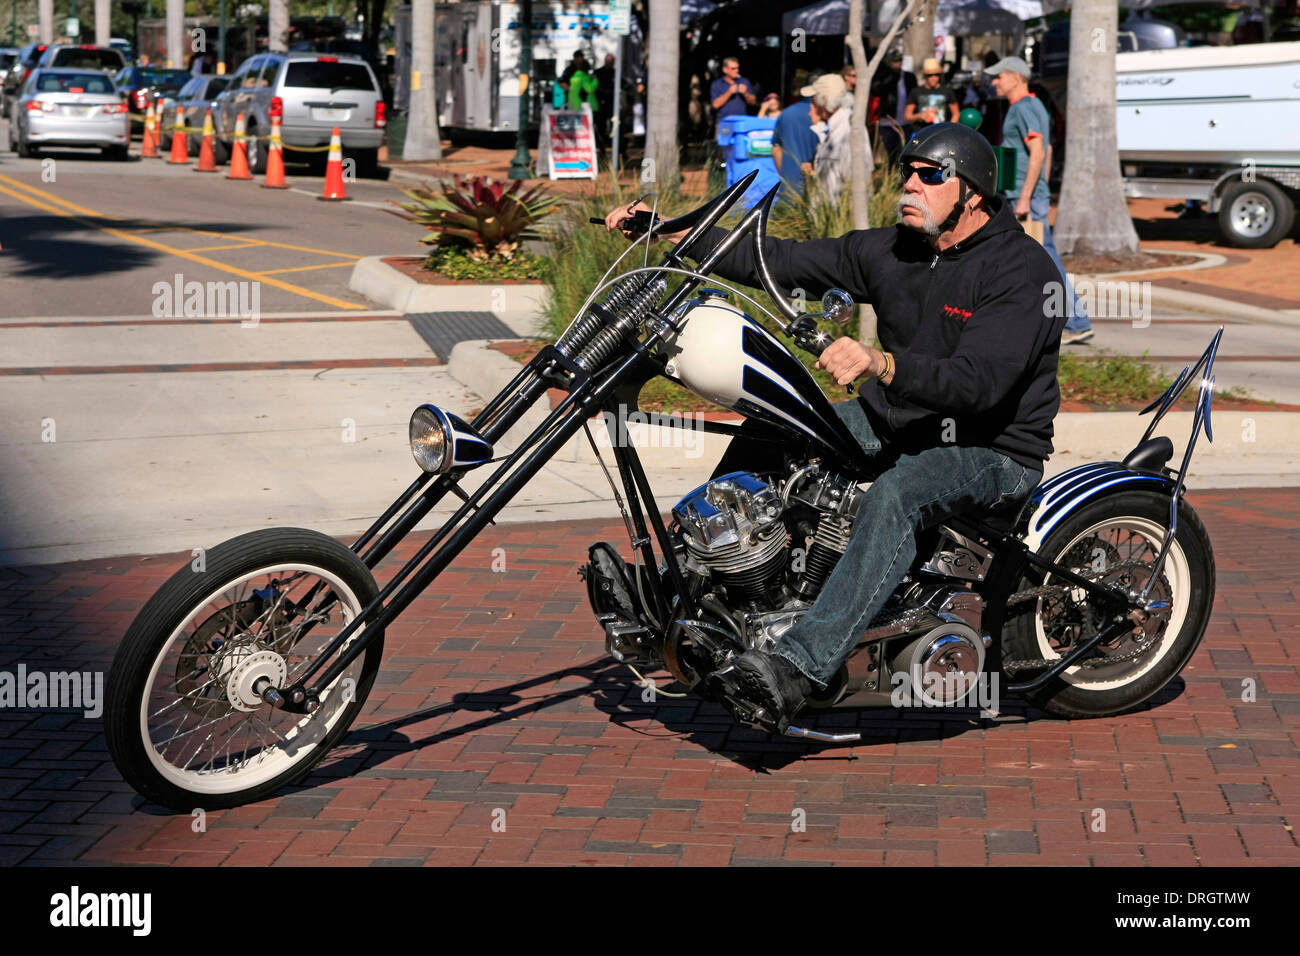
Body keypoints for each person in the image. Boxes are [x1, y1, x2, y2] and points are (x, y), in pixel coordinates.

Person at [603, 123, 1065, 728]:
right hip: (898, 419)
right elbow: (778, 259)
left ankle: (799, 667)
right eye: (907, 172)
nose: (910, 184)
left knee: (898, 495)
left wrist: (883, 363)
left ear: (972, 193)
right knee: (773, 427)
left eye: (930, 175)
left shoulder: (1022, 271)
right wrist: (669, 230)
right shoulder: (896, 248)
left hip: (992, 445)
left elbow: (980, 383)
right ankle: (676, 590)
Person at [986, 56, 1093, 345]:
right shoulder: (1034, 106)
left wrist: (1026, 196)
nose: (995, 82)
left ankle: (1075, 322)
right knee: (1024, 261)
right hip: (1030, 196)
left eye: (999, 77)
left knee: (1046, 263)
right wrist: (1038, 188)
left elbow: (1038, 153)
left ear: (1016, 77)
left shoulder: (1023, 108)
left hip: (1025, 199)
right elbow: (1045, 149)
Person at [772, 73, 846, 197]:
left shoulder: (786, 114)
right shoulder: (837, 125)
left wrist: (786, 176)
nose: (810, 113)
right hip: (818, 196)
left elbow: (775, 149)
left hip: (795, 190)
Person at [905, 58, 959, 127]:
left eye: (936, 74)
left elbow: (956, 114)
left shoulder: (947, 91)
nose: (933, 78)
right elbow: (907, 117)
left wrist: (950, 128)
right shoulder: (916, 92)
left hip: (941, 131)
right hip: (921, 132)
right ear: (925, 76)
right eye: (929, 75)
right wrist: (920, 116)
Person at [710, 56, 757, 132]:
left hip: (741, 123)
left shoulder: (744, 82)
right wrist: (729, 93)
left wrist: (746, 94)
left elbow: (753, 102)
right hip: (724, 123)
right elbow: (715, 105)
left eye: (737, 68)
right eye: (733, 68)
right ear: (725, 70)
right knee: (724, 144)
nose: (736, 71)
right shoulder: (717, 84)